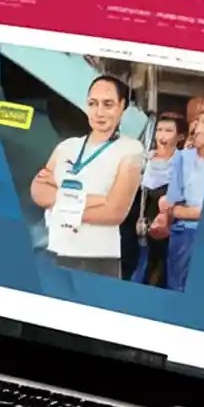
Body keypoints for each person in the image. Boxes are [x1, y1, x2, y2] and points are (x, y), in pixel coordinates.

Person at [32, 75, 144, 277]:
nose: (99, 112)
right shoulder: (66, 147)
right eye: (93, 104)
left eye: (108, 104)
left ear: (122, 106)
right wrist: (96, 200)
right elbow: (39, 192)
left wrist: (59, 203)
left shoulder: (131, 150)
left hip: (96, 258)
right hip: (53, 250)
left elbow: (114, 212)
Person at [151, 110, 204, 291]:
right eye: (197, 121)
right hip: (182, 236)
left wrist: (186, 212)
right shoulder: (183, 158)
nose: (197, 129)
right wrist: (169, 213)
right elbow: (171, 200)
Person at [130, 113, 186, 286]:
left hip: (165, 225)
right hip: (138, 222)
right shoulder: (145, 159)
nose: (162, 135)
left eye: (169, 130)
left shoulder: (182, 163)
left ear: (180, 137)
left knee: (158, 268)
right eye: (159, 130)